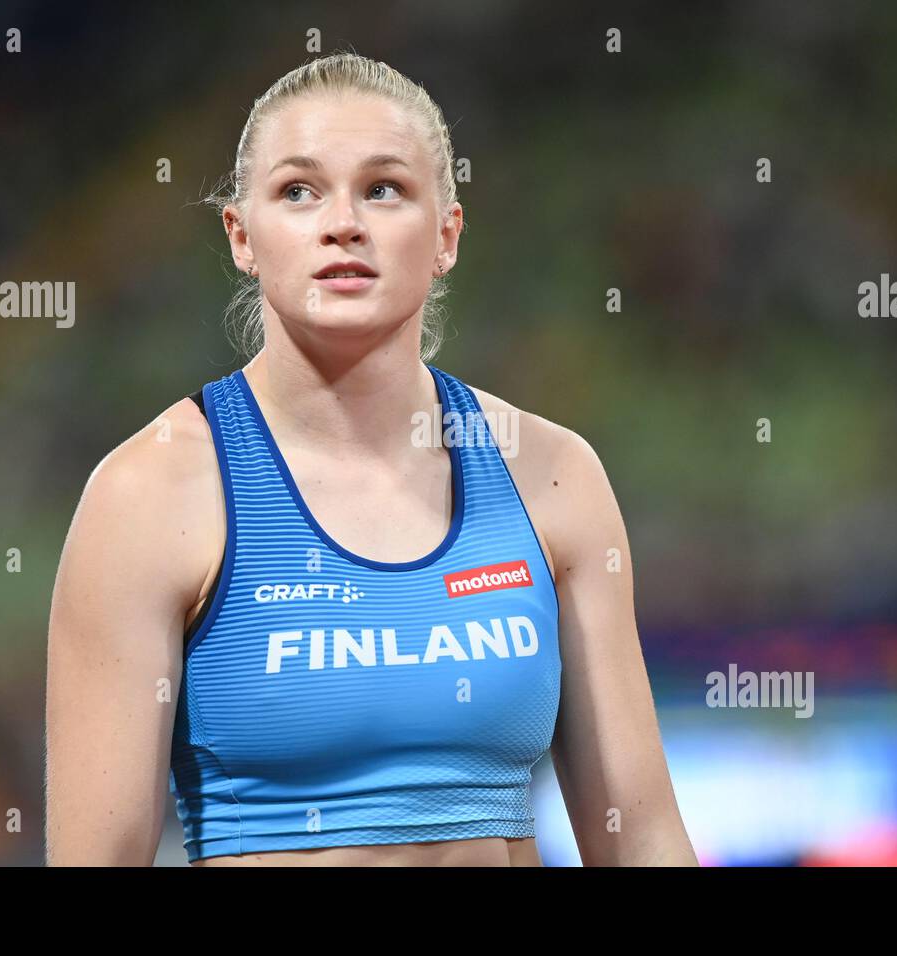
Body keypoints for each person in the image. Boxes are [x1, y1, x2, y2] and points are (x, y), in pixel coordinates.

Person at [45, 51, 698, 867]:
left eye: (383, 189)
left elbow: (641, 836)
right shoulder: (149, 495)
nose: (342, 223)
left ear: (447, 235)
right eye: (298, 191)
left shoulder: (552, 475)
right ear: (242, 236)